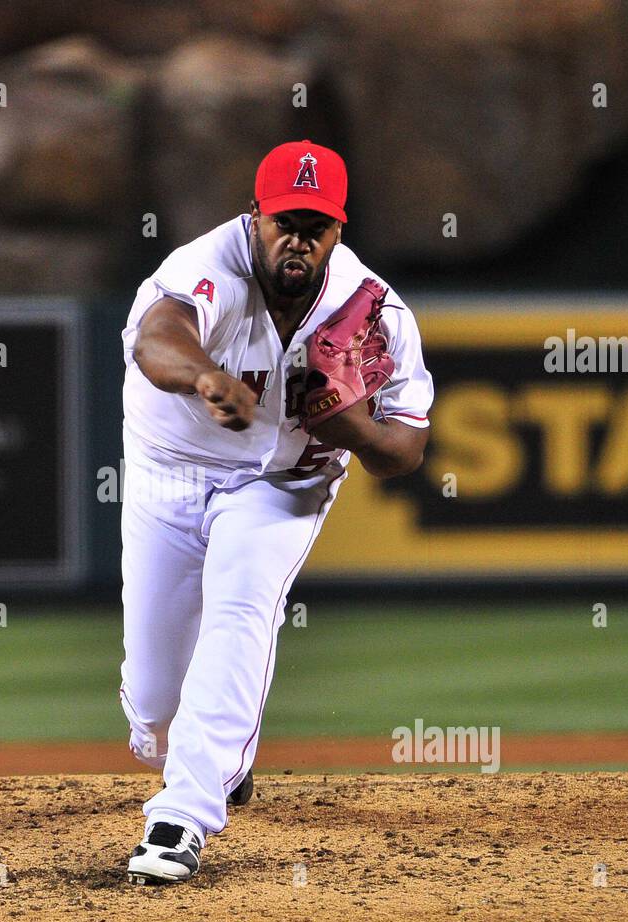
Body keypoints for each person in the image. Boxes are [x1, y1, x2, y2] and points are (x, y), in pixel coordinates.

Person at [119, 141, 434, 883]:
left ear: (339, 229)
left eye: (316, 227)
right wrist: (205, 377)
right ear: (254, 216)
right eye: (285, 222)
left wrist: (354, 429)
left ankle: (180, 819)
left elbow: (407, 449)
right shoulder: (210, 264)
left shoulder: (374, 308)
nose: (299, 240)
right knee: (156, 705)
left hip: (284, 482)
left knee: (241, 608)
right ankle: (206, 755)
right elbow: (157, 338)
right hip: (170, 470)